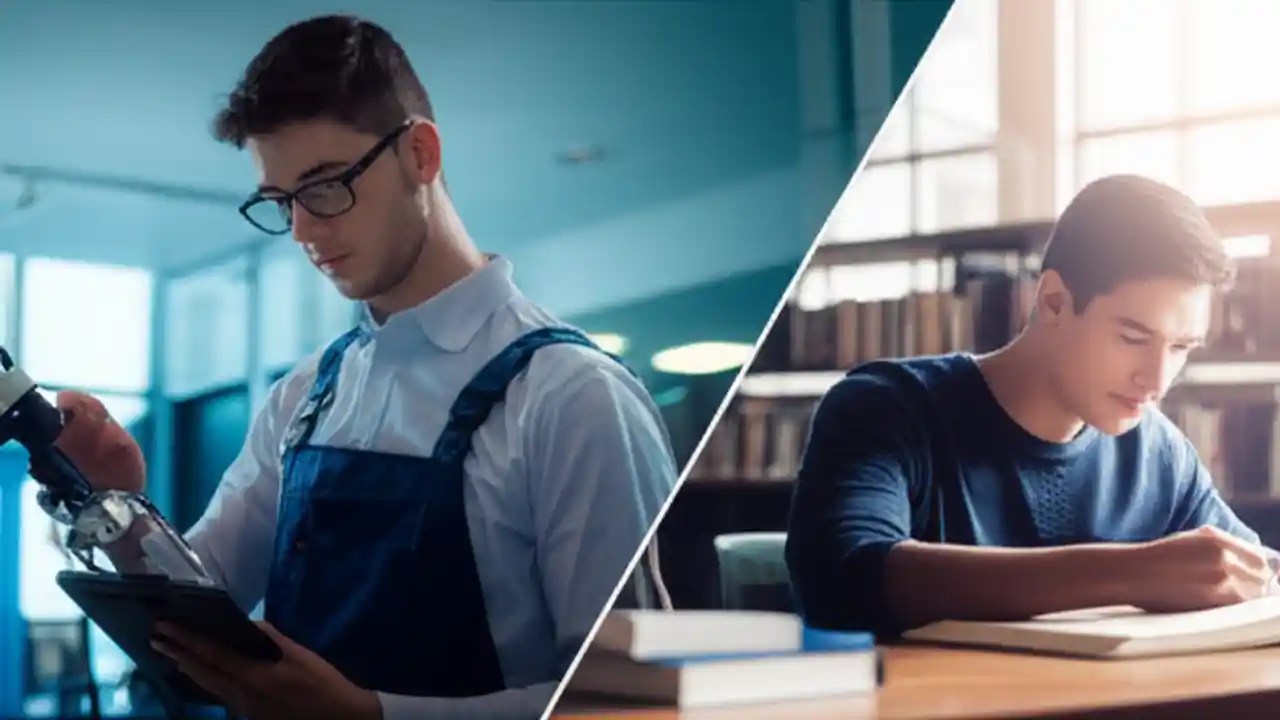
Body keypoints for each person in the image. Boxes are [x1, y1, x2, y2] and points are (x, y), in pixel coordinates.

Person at [54, 14, 677, 719]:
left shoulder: (573, 398)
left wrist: (372, 715)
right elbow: (207, 607)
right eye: (280, 201)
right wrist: (114, 503)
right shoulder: (305, 392)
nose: (303, 230)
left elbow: (625, 700)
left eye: (324, 186)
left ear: (420, 153)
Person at [786, 174, 1277, 638]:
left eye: (1181, 348)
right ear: (1055, 301)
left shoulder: (1160, 454)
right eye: (1133, 337)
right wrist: (1131, 572)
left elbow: (1252, 572)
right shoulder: (884, 409)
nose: (1157, 380)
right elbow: (844, 580)